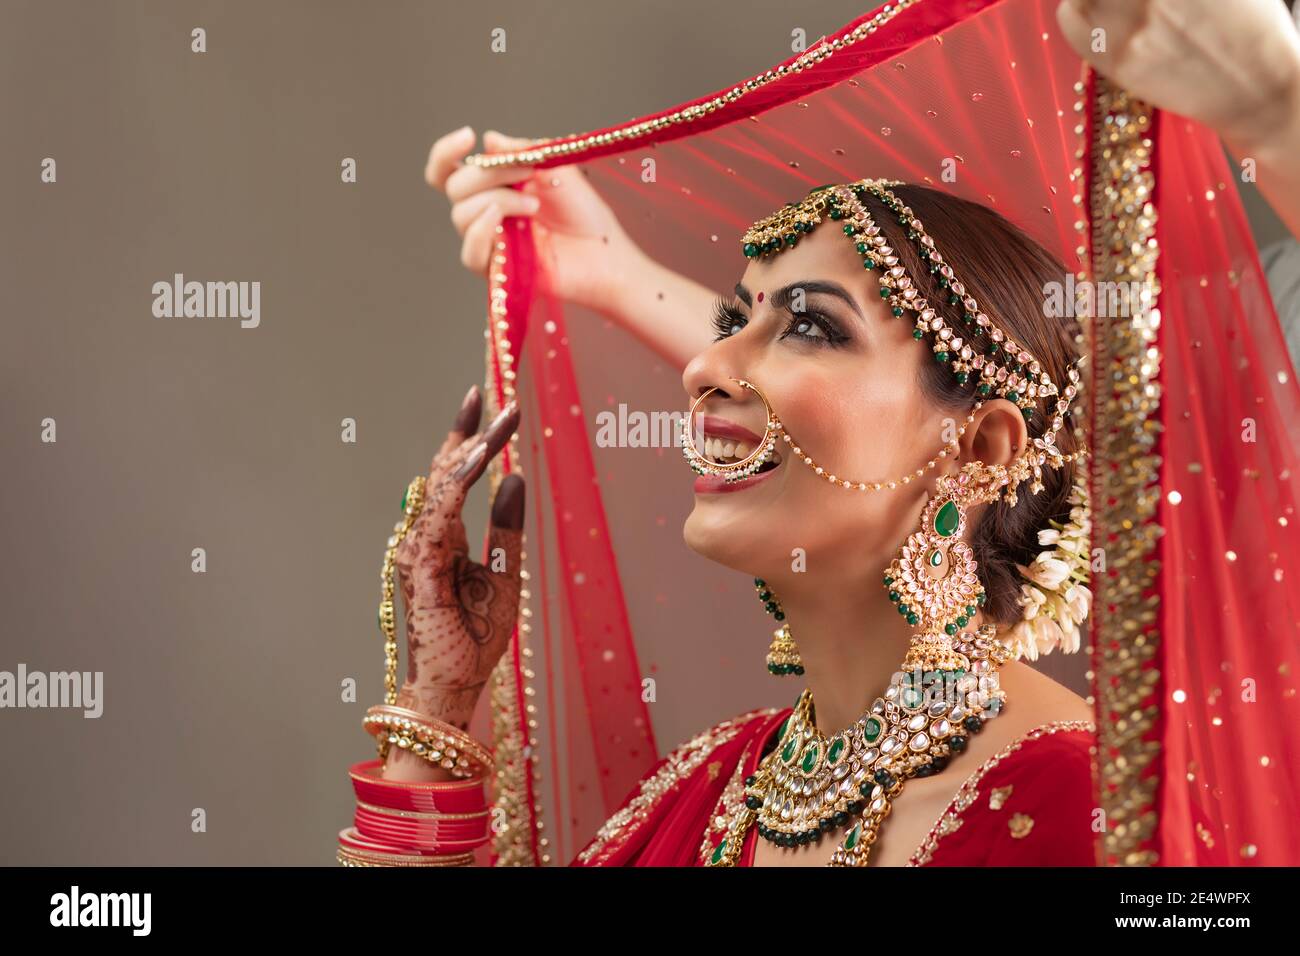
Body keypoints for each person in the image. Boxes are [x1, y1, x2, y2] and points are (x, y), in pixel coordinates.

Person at [339, 0, 1298, 867]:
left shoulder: (1076, 813)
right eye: (732, 324)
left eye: (808, 325)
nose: (701, 367)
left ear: (980, 451)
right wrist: (435, 714)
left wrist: (1273, 106)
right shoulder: (708, 794)